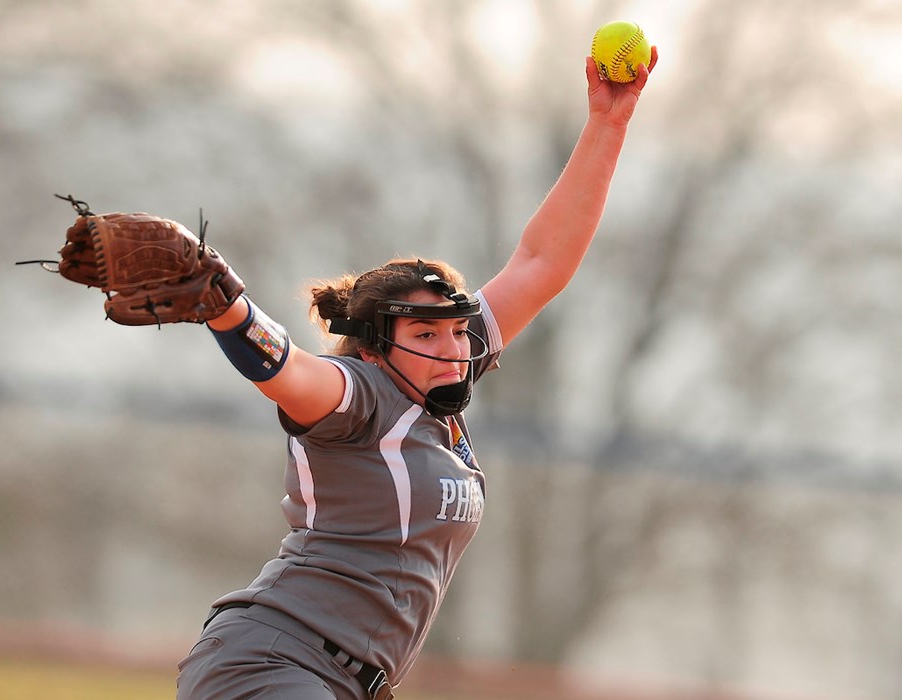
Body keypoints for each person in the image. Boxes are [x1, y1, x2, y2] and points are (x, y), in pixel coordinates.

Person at [176, 49, 657, 700]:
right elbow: (285, 370)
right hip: (271, 663)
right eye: (425, 334)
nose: (454, 346)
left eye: (458, 329)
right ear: (374, 348)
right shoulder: (359, 394)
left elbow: (541, 261)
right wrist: (225, 308)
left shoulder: (437, 389)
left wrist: (608, 124)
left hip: (341, 683)